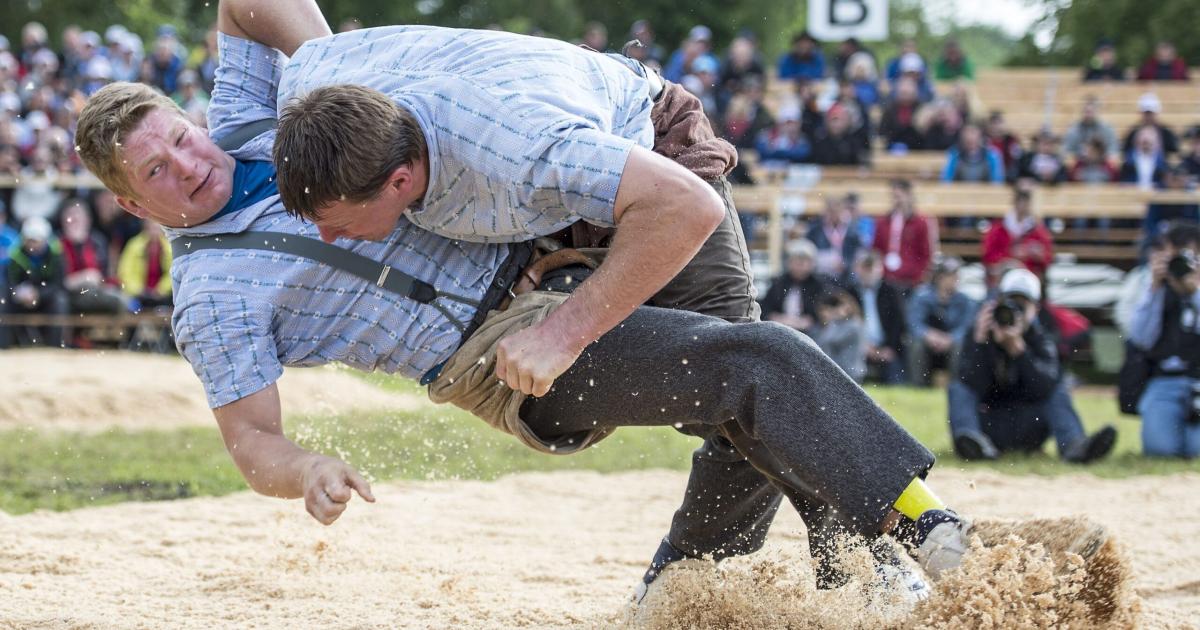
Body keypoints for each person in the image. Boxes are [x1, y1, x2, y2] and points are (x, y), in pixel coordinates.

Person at [73, 0, 987, 604]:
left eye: (182, 138)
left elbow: (241, 3)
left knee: (744, 380)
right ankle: (915, 537)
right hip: (494, 347)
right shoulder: (208, 296)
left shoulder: (250, 112)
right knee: (755, 364)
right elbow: (249, 443)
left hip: (544, 235)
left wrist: (329, 58)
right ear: (129, 203)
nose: (194, 163)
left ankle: (686, 594)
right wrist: (304, 466)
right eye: (160, 170)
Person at [950, 269, 1117, 462]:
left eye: (1022, 305)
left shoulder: (1041, 337)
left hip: (1029, 423)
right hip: (989, 424)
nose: (1015, 313)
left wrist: (1020, 352)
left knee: (1057, 387)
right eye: (1010, 303)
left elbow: (1045, 386)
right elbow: (969, 383)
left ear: (1035, 309)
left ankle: (1074, 446)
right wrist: (980, 343)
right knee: (958, 388)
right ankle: (974, 445)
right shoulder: (980, 333)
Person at [1128, 228, 1200, 458]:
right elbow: (1141, 338)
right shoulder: (1155, 288)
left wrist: (1195, 293)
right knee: (1161, 450)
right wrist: (1155, 289)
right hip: (1164, 381)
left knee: (1196, 450)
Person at [906, 257, 974, 387]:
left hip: (952, 343)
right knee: (916, 344)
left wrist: (950, 339)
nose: (955, 280)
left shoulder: (964, 300)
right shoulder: (922, 296)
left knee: (960, 346)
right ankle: (918, 386)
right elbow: (914, 322)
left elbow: (966, 327)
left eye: (956, 276)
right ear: (939, 277)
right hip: (928, 342)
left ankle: (956, 387)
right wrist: (928, 335)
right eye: (951, 276)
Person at [843, 250, 907, 385]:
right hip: (856, 348)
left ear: (880, 269)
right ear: (856, 269)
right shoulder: (848, 292)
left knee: (896, 379)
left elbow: (898, 324)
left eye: (871, 267)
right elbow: (845, 324)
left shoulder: (891, 291)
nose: (868, 272)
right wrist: (864, 347)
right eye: (865, 267)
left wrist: (890, 348)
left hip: (887, 348)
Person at [4, 216, 67, 347]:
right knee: (3, 300)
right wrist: (19, 294)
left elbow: (58, 284)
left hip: (46, 298)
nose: (32, 245)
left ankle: (54, 346)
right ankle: (5, 344)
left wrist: (38, 294)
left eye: (36, 240)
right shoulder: (15, 255)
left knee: (60, 300)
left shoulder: (56, 255)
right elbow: (10, 283)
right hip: (20, 300)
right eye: (30, 240)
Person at [59, 198, 127, 317]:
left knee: (123, 300)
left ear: (87, 221)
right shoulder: (58, 244)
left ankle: (115, 334)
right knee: (60, 301)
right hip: (69, 294)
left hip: (95, 291)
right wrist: (83, 277)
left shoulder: (97, 242)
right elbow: (57, 281)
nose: (74, 221)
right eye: (70, 218)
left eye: (78, 218)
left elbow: (105, 276)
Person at [872, 179, 934, 291]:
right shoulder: (882, 222)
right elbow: (876, 250)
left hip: (911, 281)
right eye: (894, 196)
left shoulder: (920, 223)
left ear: (909, 196)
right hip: (886, 280)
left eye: (899, 196)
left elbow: (925, 254)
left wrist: (917, 278)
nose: (897, 201)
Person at [981, 189, 1054, 285]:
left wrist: (1036, 255)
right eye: (1020, 201)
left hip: (1030, 277)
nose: (1023, 206)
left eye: (1025, 202)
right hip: (1002, 276)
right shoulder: (998, 229)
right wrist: (1010, 255)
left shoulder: (1038, 231)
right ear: (1015, 203)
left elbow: (1047, 257)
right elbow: (988, 255)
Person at [759, 239, 827, 336]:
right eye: (797, 261)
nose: (800, 266)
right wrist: (775, 317)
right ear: (789, 262)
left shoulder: (818, 284)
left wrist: (809, 320)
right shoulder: (779, 282)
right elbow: (765, 307)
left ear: (812, 263)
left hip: (810, 331)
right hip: (780, 328)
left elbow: (822, 311)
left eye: (804, 261)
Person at [811, 289, 866, 383]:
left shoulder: (854, 325)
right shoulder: (836, 324)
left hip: (850, 372)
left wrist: (831, 322)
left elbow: (828, 340)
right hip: (837, 370)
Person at [117, 220, 172, 311]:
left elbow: (173, 273)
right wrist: (139, 291)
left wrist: (160, 291)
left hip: (163, 296)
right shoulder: (134, 245)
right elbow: (124, 272)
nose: (154, 230)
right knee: (130, 307)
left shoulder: (169, 247)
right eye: (152, 226)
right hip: (138, 296)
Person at [807, 197, 861, 279]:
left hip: (845, 277)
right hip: (820, 275)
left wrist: (845, 264)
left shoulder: (852, 233)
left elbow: (857, 255)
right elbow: (810, 251)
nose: (834, 215)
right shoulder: (815, 231)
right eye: (830, 211)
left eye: (837, 211)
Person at [1062, 97, 1119, 162]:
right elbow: (1067, 150)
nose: (1088, 115)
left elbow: (1112, 148)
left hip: (1101, 164)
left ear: (1096, 112)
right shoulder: (1074, 130)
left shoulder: (1107, 129)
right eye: (1086, 112)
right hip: (1080, 164)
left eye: (1091, 112)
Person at [878, 77, 924, 152]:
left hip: (917, 148)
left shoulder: (921, 108)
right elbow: (883, 131)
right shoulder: (890, 109)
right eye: (903, 93)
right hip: (892, 147)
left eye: (907, 93)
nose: (905, 96)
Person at [1119, 126, 1168, 190]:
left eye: (1149, 142)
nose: (1146, 144)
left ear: (1156, 143)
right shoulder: (1128, 162)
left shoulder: (1162, 163)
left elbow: (1164, 183)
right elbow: (1123, 182)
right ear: (1136, 141)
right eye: (1144, 142)